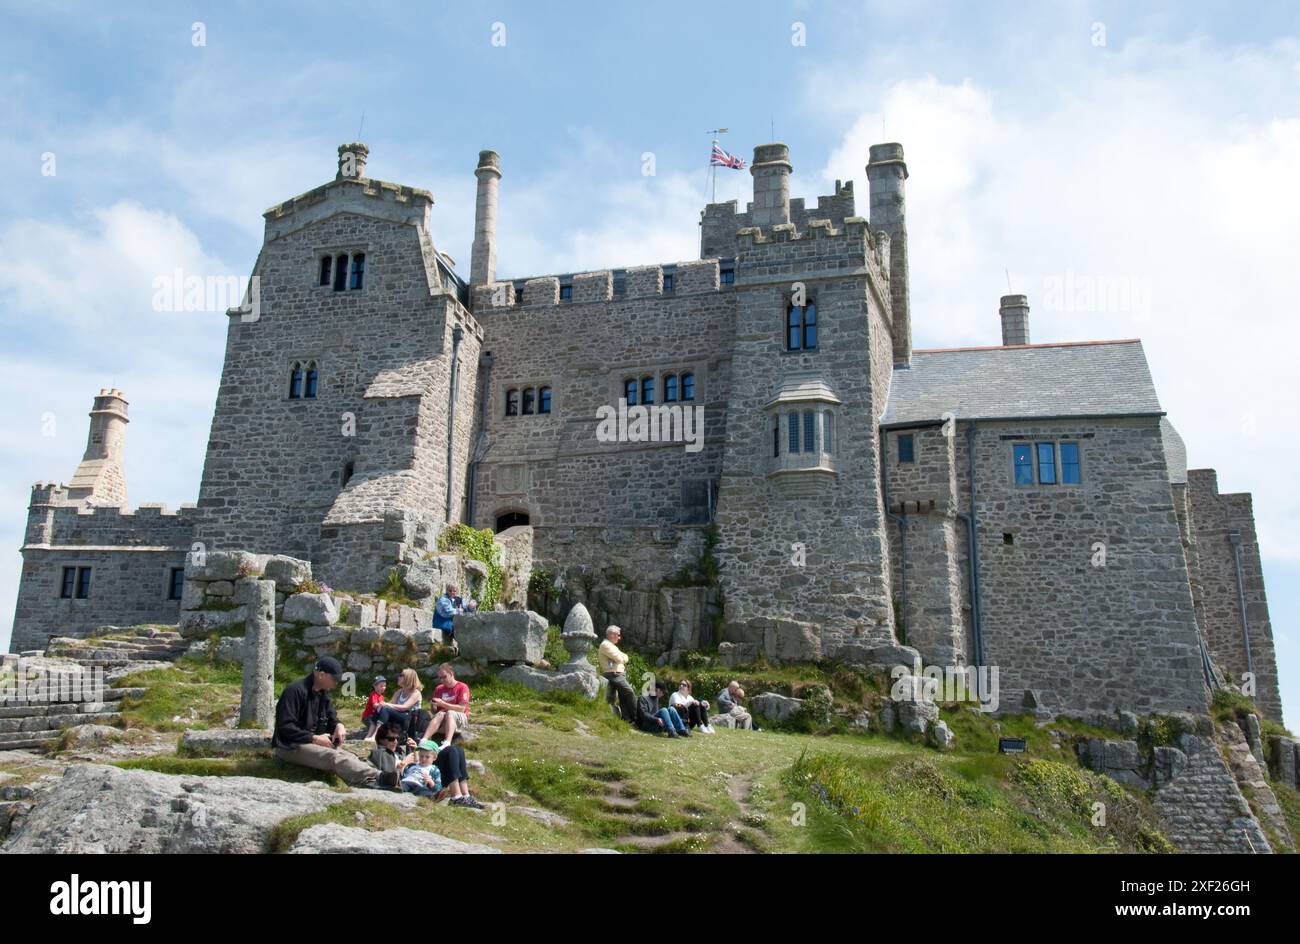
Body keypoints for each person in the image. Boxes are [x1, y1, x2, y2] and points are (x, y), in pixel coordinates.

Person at [273, 656, 380, 787]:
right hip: (289, 746)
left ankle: (370, 780)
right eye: (334, 679)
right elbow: (285, 726)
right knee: (333, 757)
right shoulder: (294, 691)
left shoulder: (323, 694)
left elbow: (331, 717)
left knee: (349, 756)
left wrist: (338, 725)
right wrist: (314, 738)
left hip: (310, 742)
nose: (336, 683)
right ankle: (378, 777)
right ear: (322, 675)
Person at [423, 663, 471, 744]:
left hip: (459, 718)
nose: (442, 680)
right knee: (440, 714)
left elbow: (462, 709)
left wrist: (443, 704)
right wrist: (433, 705)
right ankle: (424, 740)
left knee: (450, 713)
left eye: (444, 677)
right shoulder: (439, 689)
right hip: (443, 719)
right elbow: (435, 712)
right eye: (440, 678)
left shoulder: (462, 687)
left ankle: (447, 742)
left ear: (451, 674)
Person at [431, 737, 485, 809]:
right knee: (451, 750)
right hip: (424, 769)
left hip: (428, 757)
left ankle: (466, 796)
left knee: (459, 750)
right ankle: (456, 797)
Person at [598, 625, 637, 722]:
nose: (619, 638)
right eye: (618, 635)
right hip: (613, 674)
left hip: (618, 674)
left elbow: (626, 657)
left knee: (623, 697)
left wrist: (620, 659)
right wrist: (620, 659)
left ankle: (627, 719)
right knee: (630, 692)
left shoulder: (612, 646)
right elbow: (620, 658)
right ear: (612, 635)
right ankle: (637, 717)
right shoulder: (605, 645)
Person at [373, 667, 423, 733]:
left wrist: (386, 704)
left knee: (385, 709)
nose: (398, 677)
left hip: (410, 719)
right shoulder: (399, 692)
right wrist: (380, 705)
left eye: (401, 675)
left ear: (408, 678)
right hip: (400, 716)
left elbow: (405, 707)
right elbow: (391, 703)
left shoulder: (416, 693)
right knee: (382, 709)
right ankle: (371, 733)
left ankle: (375, 735)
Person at [367, 724, 413, 788]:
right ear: (381, 740)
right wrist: (404, 763)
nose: (395, 741)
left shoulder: (400, 751)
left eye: (397, 738)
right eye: (391, 739)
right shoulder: (379, 753)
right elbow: (389, 775)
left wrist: (415, 749)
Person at [361, 675, 387, 740]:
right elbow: (375, 705)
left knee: (380, 725)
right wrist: (382, 705)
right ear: (375, 686)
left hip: (374, 717)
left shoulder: (381, 697)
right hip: (367, 717)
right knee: (374, 726)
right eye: (381, 686)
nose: (383, 688)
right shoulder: (374, 694)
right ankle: (370, 737)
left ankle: (372, 736)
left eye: (384, 686)